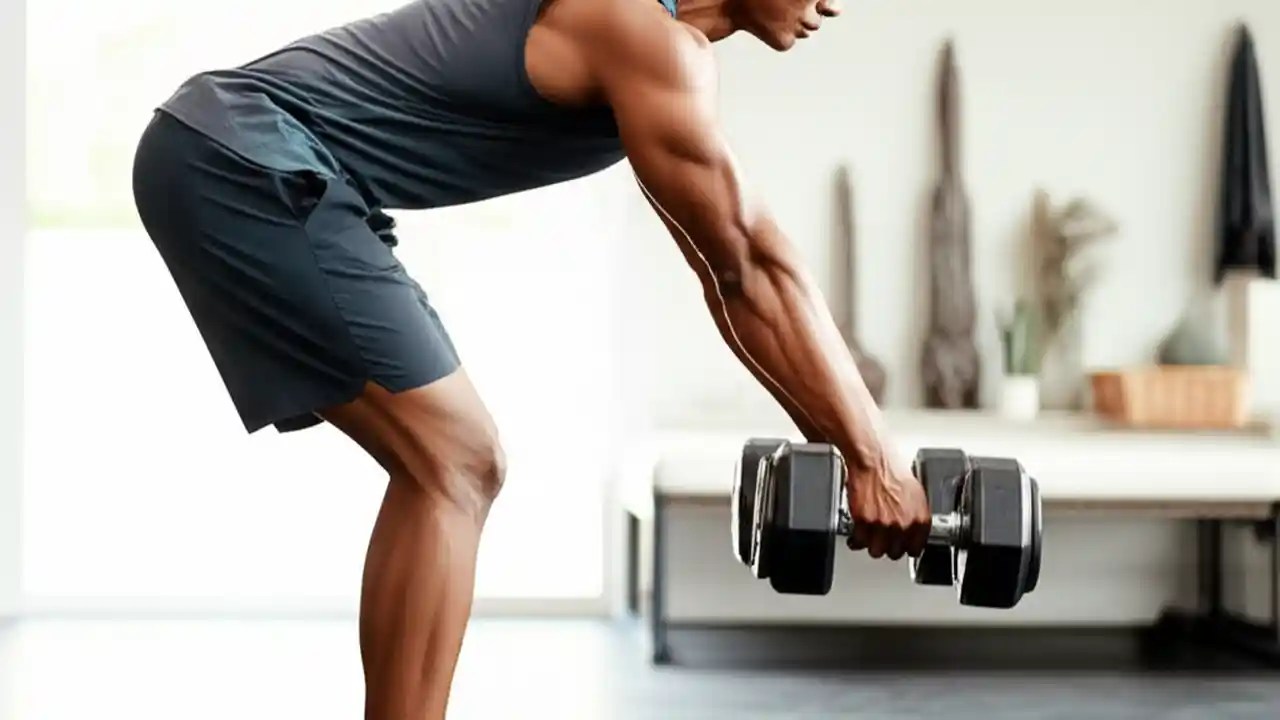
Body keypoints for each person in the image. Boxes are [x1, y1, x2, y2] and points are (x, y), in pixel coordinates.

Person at [131, 0, 932, 716]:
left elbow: (727, 277)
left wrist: (856, 455)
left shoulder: (659, 43)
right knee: (455, 462)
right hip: (243, 152)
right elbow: (748, 268)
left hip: (248, 154)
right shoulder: (641, 36)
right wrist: (873, 460)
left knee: (453, 464)